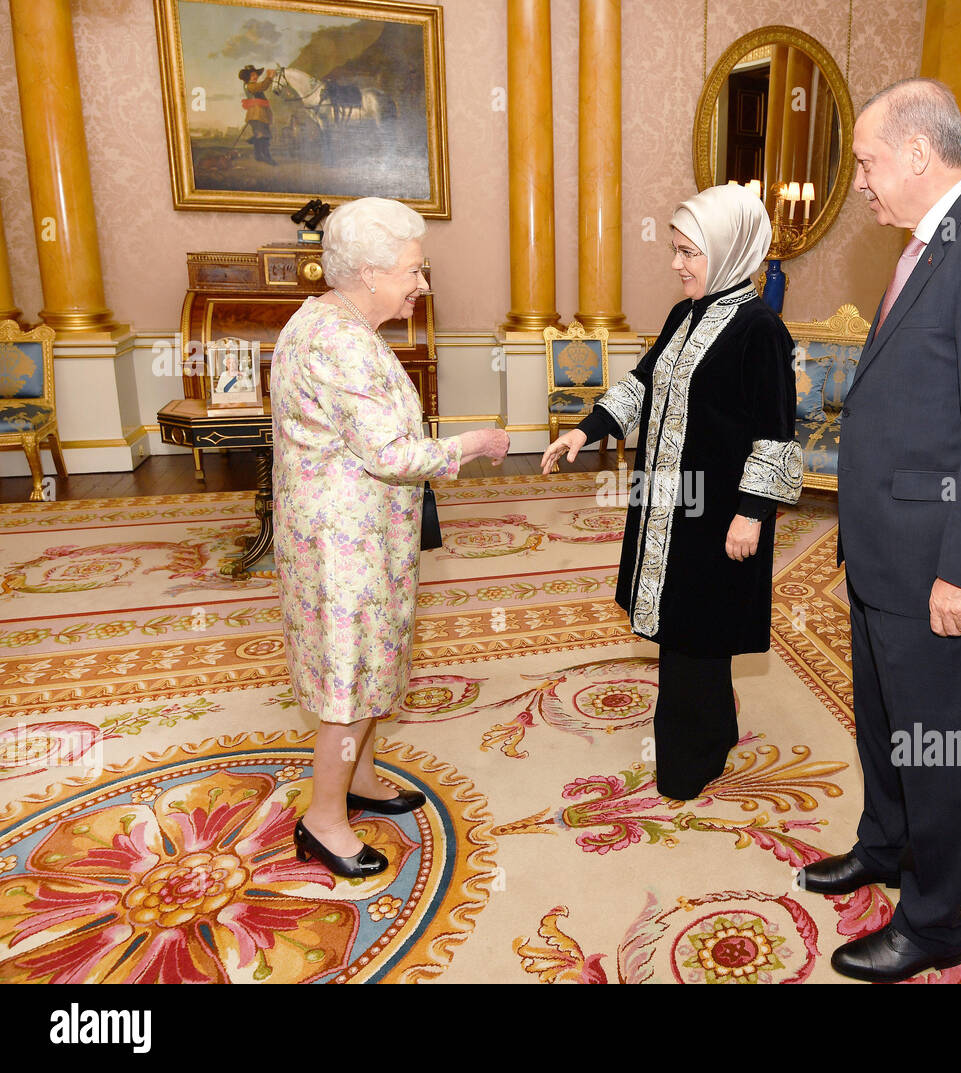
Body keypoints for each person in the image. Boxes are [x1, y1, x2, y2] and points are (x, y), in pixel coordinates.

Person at [797, 79, 961, 982]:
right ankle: (884, 843)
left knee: (937, 743)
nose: (860, 181)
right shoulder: (930, 245)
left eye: (867, 161)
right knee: (883, 722)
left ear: (916, 153)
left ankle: (937, 917)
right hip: (884, 553)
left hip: (939, 562)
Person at [271, 197, 509, 877]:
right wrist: (469, 444)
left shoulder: (324, 317)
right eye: (412, 269)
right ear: (371, 272)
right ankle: (323, 818)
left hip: (352, 533)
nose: (421, 284)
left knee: (369, 665)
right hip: (344, 545)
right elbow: (392, 455)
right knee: (348, 682)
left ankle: (361, 776)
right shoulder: (341, 340)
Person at [540, 184, 802, 801]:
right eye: (675, 251)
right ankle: (715, 731)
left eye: (690, 252)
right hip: (666, 499)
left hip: (718, 511)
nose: (677, 264)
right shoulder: (684, 313)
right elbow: (641, 381)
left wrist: (752, 514)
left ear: (729, 250)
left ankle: (687, 761)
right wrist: (586, 429)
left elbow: (776, 433)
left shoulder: (761, 327)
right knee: (686, 631)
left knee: (695, 635)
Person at [238, 64, 278, 166]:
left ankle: (258, 155)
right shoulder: (250, 86)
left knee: (260, 134)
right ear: (247, 77)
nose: (255, 77)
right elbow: (262, 86)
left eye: (256, 74)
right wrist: (269, 77)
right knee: (264, 135)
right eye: (252, 75)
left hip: (260, 114)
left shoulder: (252, 85)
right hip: (257, 114)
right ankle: (267, 157)